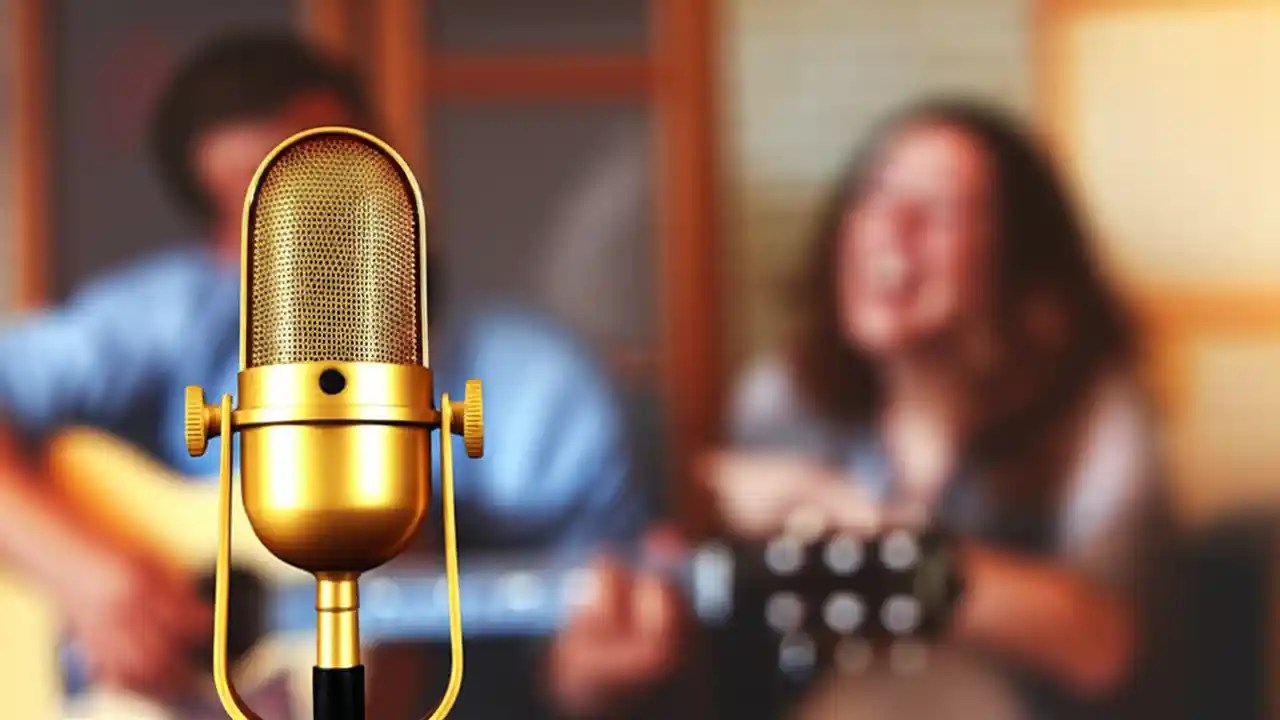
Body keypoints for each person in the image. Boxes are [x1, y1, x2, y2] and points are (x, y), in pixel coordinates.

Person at [0, 33, 679, 718]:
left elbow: (575, 680)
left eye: (337, 185)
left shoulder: (546, 398)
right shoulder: (169, 319)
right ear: (224, 242)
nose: (319, 232)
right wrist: (86, 574)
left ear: (395, 177)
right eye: (275, 211)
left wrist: (594, 679)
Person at [705, 100, 1168, 718]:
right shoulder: (783, 399)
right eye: (874, 193)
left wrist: (855, 523)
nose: (893, 226)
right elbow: (745, 638)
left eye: (940, 208)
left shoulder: (1092, 415)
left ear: (1014, 255)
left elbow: (1099, 647)